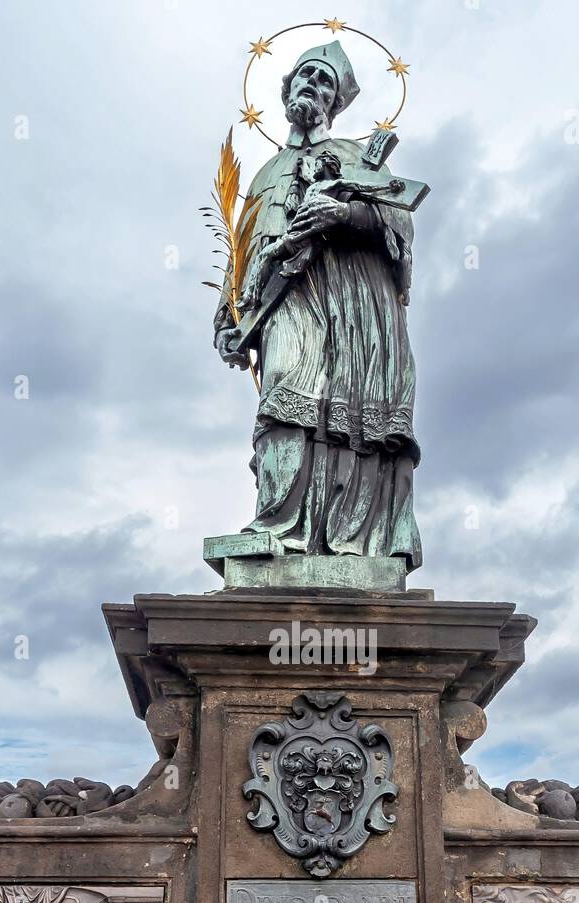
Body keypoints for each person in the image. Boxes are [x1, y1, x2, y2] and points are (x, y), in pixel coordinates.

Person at [214, 41, 422, 569]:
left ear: (338, 101)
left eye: (325, 81)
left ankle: (356, 540)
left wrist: (344, 217)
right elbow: (243, 243)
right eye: (305, 75)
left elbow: (398, 223)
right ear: (286, 88)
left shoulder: (357, 156)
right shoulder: (265, 173)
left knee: (352, 411)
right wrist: (228, 316)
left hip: (353, 298)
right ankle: (276, 525)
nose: (313, 84)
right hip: (287, 293)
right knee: (286, 390)